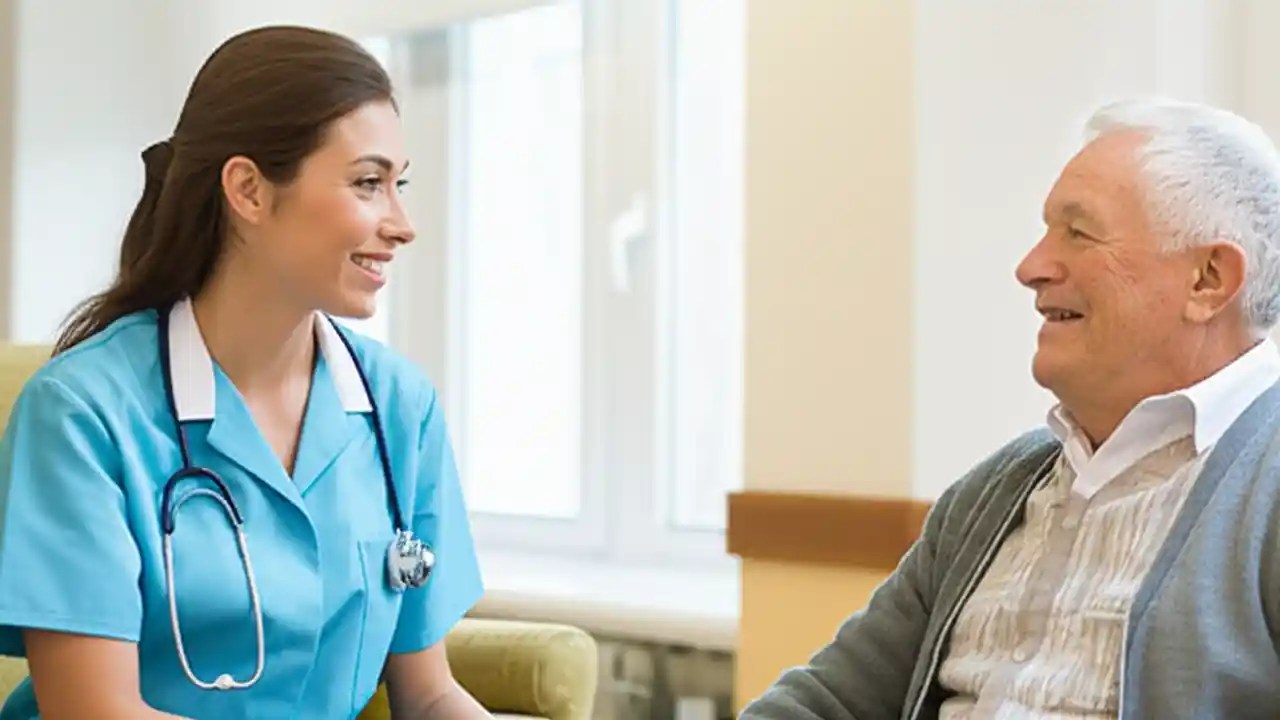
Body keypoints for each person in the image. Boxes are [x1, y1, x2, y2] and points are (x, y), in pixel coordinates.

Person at [0, 26, 491, 720]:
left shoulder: (399, 408)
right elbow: (95, 713)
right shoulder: (83, 414)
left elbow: (429, 693)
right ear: (249, 191)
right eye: (368, 183)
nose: (402, 223)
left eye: (399, 185)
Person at [741, 98, 1280, 719]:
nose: (1031, 268)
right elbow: (830, 703)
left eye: (1079, 233)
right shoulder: (996, 491)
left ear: (1208, 279)